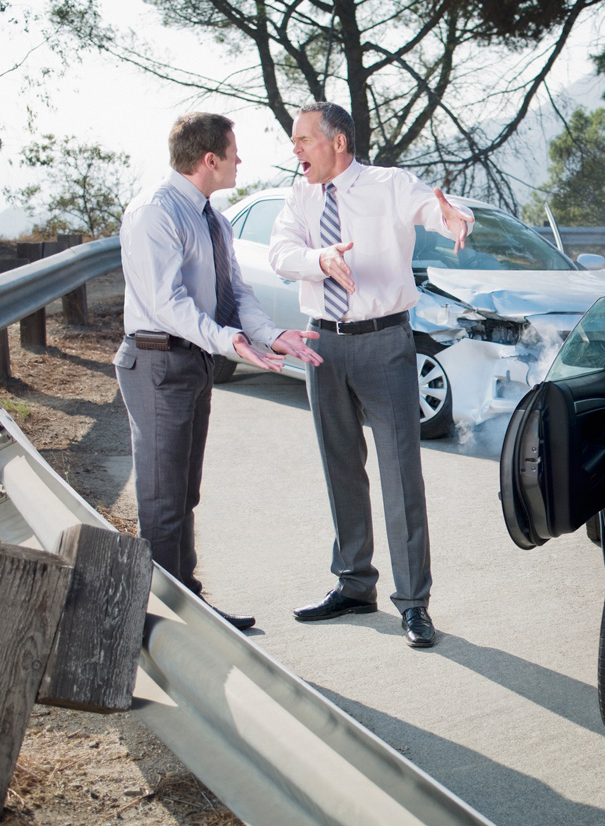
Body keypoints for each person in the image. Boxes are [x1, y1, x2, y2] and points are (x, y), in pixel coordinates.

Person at [268, 102, 472, 648]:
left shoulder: (388, 184)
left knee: (400, 474)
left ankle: (413, 604)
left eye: (304, 140)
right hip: (323, 344)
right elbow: (281, 252)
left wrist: (455, 218)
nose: (296, 151)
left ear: (337, 142)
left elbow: (434, 211)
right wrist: (320, 260)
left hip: (384, 343)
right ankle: (354, 584)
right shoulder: (299, 196)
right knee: (341, 468)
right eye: (294, 142)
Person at [114, 112, 323, 632]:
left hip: (193, 360)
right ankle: (158, 624)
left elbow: (234, 295)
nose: (239, 160)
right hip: (158, 359)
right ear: (210, 159)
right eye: (234, 152)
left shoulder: (214, 219)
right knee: (162, 500)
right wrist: (229, 340)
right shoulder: (153, 214)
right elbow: (169, 303)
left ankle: (185, 601)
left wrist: (270, 335)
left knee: (184, 492)